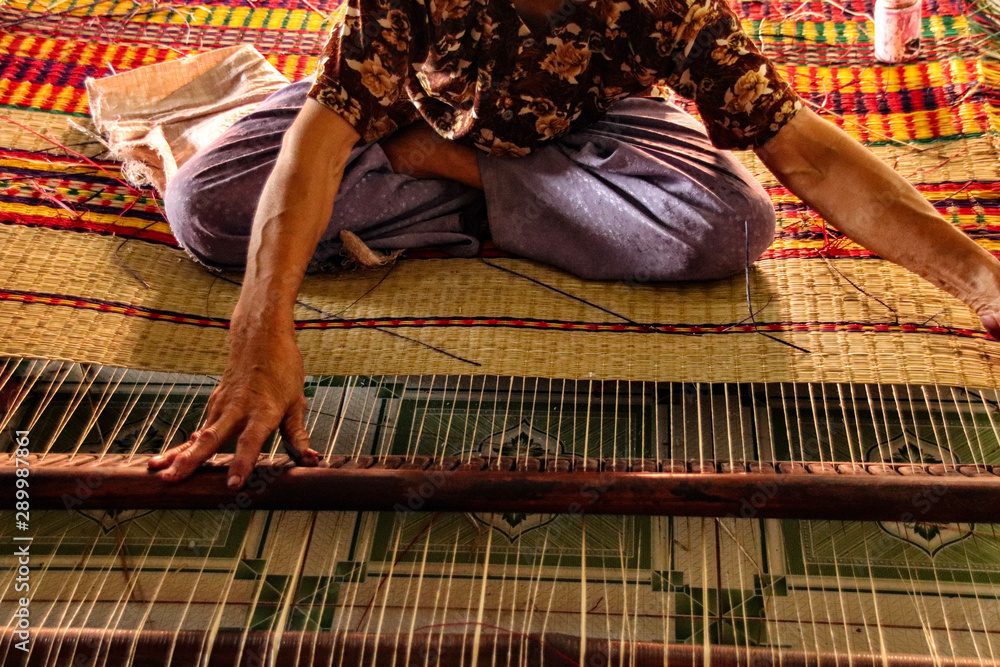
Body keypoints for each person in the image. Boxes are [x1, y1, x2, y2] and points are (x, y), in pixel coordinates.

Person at [148, 0, 1000, 488]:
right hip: (406, 108)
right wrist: (260, 326)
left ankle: (452, 184)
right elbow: (326, 133)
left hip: (594, 132)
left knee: (733, 224)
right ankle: (523, 204)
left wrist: (981, 280)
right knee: (207, 208)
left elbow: (800, 146)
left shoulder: (664, 6)